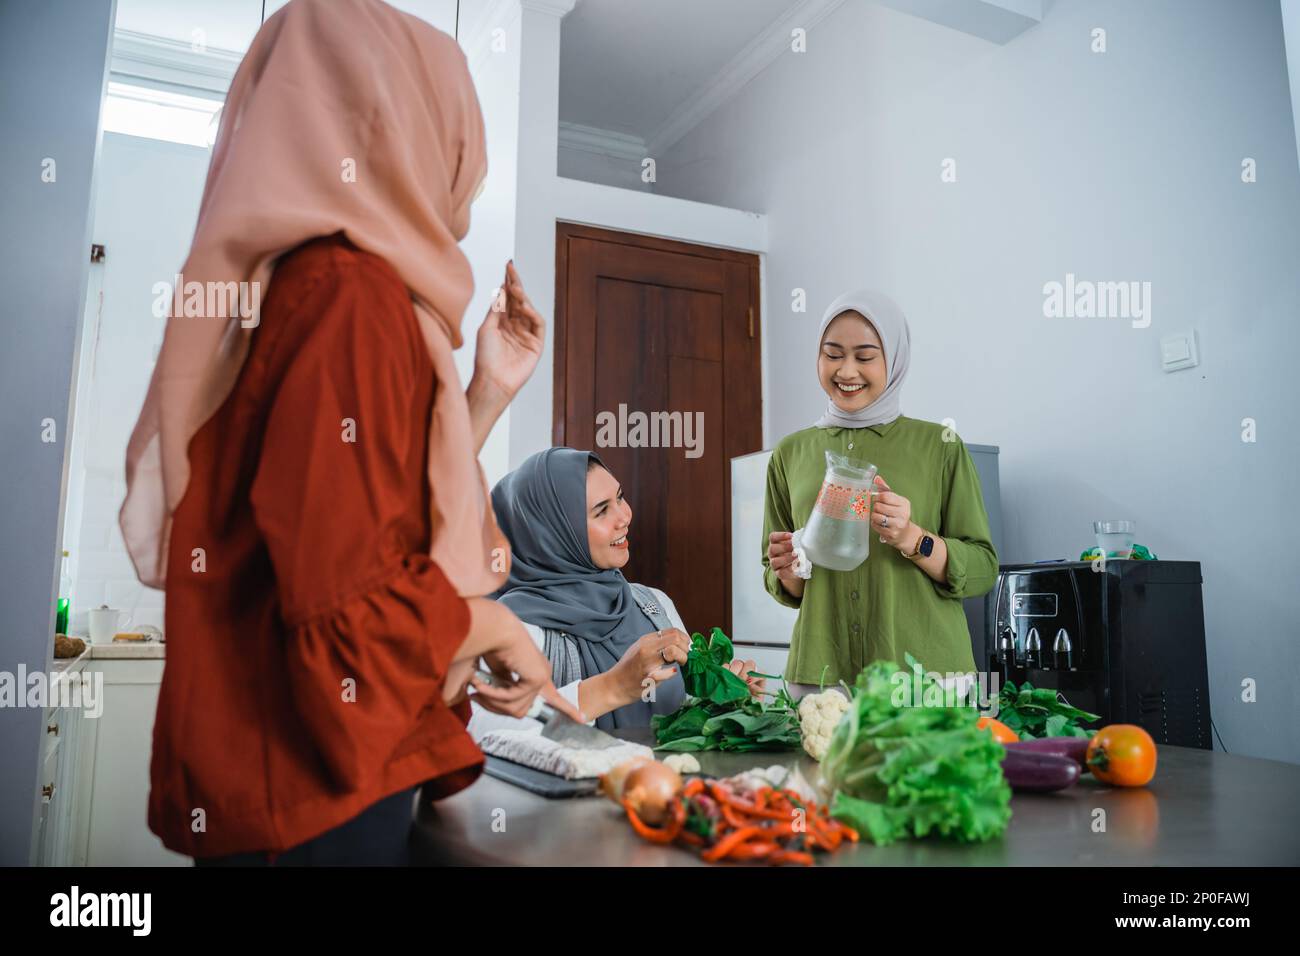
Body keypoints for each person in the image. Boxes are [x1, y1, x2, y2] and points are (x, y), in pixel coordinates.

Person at [117, 0, 578, 866]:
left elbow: (366, 511)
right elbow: (346, 605)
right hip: (314, 781)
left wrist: (484, 392)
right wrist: (488, 625)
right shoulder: (349, 296)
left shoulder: (316, 288)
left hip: (299, 769)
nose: (468, 174)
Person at [762, 290, 997, 694]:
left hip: (923, 679)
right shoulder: (790, 453)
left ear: (894, 359)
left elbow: (982, 569)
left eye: (865, 356)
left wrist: (913, 538)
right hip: (823, 677)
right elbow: (784, 583)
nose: (846, 370)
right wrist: (787, 571)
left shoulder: (940, 445)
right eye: (832, 354)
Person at [471, 447, 763, 735]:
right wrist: (614, 686)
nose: (624, 516)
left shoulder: (653, 604)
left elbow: (679, 715)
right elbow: (482, 729)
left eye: (620, 497)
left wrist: (725, 703)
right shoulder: (509, 626)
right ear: (549, 533)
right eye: (601, 511)